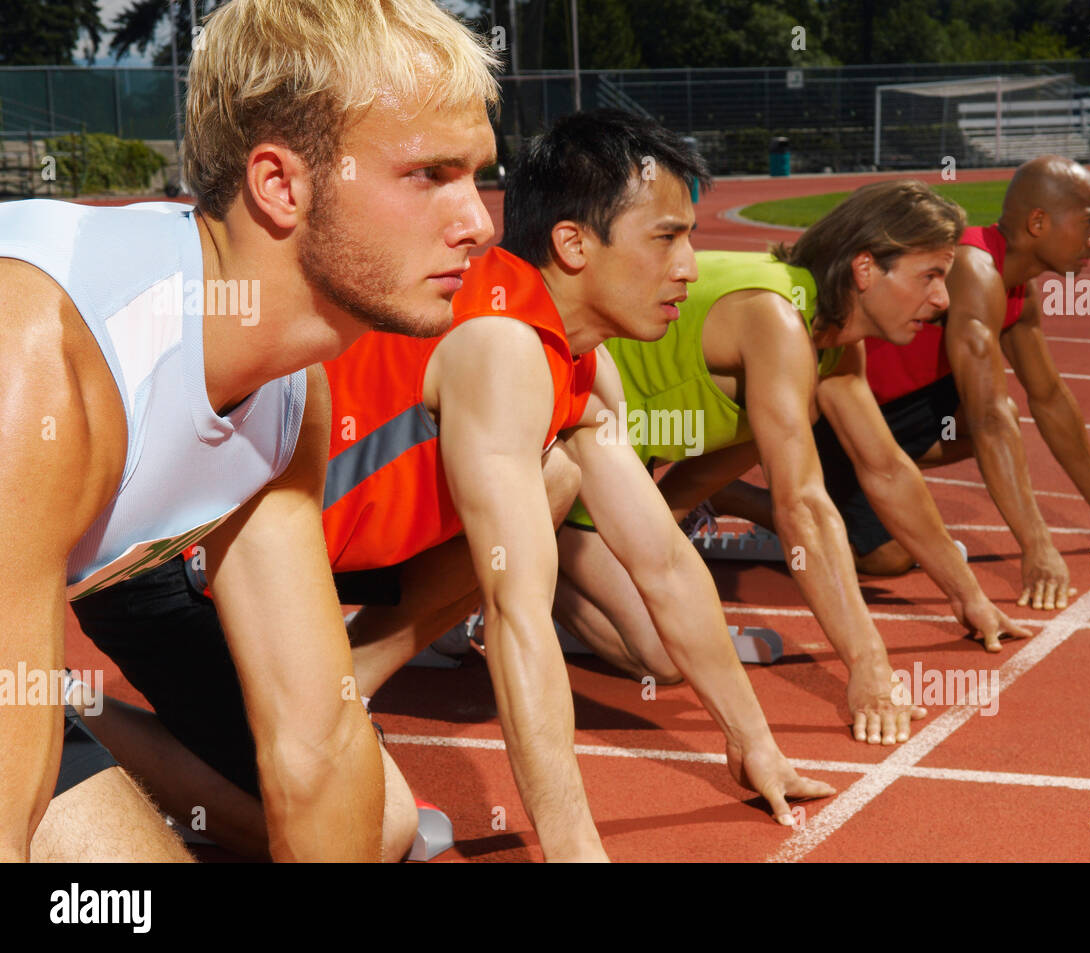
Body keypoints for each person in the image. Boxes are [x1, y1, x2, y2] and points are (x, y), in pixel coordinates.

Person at [71, 110, 833, 863]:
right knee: (382, 831)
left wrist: (753, 743)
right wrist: (573, 849)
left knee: (553, 476)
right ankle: (73, 716)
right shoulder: (500, 349)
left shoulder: (583, 370)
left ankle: (342, 684)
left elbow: (662, 561)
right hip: (173, 564)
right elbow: (518, 618)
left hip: (298, 551)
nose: (692, 267)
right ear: (574, 245)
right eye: (668, 237)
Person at [1, 0, 499, 862]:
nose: (479, 222)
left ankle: (63, 697)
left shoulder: (285, 390)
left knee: (374, 823)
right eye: (431, 175)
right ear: (280, 185)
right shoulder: (44, 357)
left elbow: (316, 743)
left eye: (478, 174)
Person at [555, 179, 1030, 753]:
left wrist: (970, 597)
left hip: (637, 443)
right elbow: (801, 504)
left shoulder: (833, 339)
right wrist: (869, 666)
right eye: (929, 276)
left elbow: (887, 470)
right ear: (864, 268)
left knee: (776, 427)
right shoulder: (777, 320)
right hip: (578, 435)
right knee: (663, 659)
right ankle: (530, 563)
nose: (943, 301)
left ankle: (584, 564)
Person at [804, 155, 1090, 610]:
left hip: (893, 410)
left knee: (987, 414)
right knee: (890, 556)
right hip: (833, 405)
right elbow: (990, 417)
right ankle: (749, 500)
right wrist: (1036, 546)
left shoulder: (1016, 286)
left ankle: (855, 489)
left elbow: (1048, 396)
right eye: (1088, 223)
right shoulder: (974, 268)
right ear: (1038, 222)